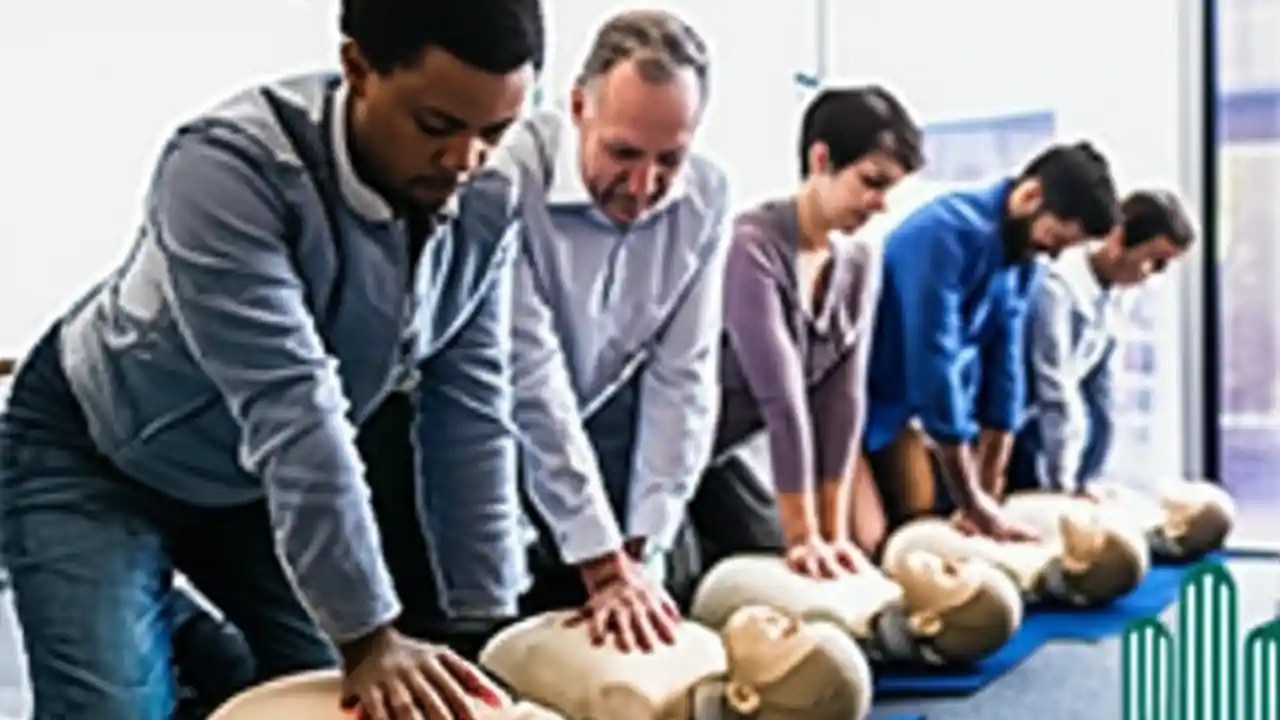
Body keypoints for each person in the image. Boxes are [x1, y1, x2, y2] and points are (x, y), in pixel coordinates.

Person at [0, 1, 544, 718]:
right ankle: (129, 601)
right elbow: (295, 409)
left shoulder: (486, 192)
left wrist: (486, 622)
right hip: (99, 453)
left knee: (349, 699)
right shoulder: (226, 168)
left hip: (246, 483)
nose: (466, 160)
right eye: (438, 127)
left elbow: (470, 402)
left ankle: (160, 619)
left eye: (496, 133)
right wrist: (372, 635)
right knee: (118, 707)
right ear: (357, 68)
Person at [490, 10, 728, 653]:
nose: (643, 186)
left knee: (644, 606)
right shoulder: (509, 175)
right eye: (623, 153)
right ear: (576, 108)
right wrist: (599, 562)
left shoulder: (707, 199)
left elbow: (685, 377)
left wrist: (640, 549)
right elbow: (526, 373)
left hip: (596, 418)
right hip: (478, 426)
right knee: (496, 626)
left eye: (669, 159)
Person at [687, 86, 924, 580]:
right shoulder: (750, 247)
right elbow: (783, 400)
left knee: (789, 555)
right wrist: (804, 539)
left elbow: (842, 404)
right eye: (871, 182)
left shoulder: (858, 264)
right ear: (821, 158)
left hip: (719, 458)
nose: (880, 204)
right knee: (689, 579)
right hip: (665, 452)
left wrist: (831, 539)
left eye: (890, 190)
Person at [861, 141, 1121, 539]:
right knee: (886, 532)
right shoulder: (945, 234)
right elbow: (935, 364)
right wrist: (974, 501)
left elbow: (1006, 368)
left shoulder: (1023, 257)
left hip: (921, 418)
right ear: (1030, 196)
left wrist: (988, 485)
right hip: (865, 406)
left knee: (942, 519)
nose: (1051, 257)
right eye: (1054, 240)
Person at [1009, 190, 1195, 494]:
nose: (1154, 276)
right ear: (1118, 239)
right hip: (1016, 433)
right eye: (1155, 262)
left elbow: (1101, 394)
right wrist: (1063, 486)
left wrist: (1087, 477)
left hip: (1052, 441)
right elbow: (1053, 390)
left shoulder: (1120, 294)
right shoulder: (1056, 288)